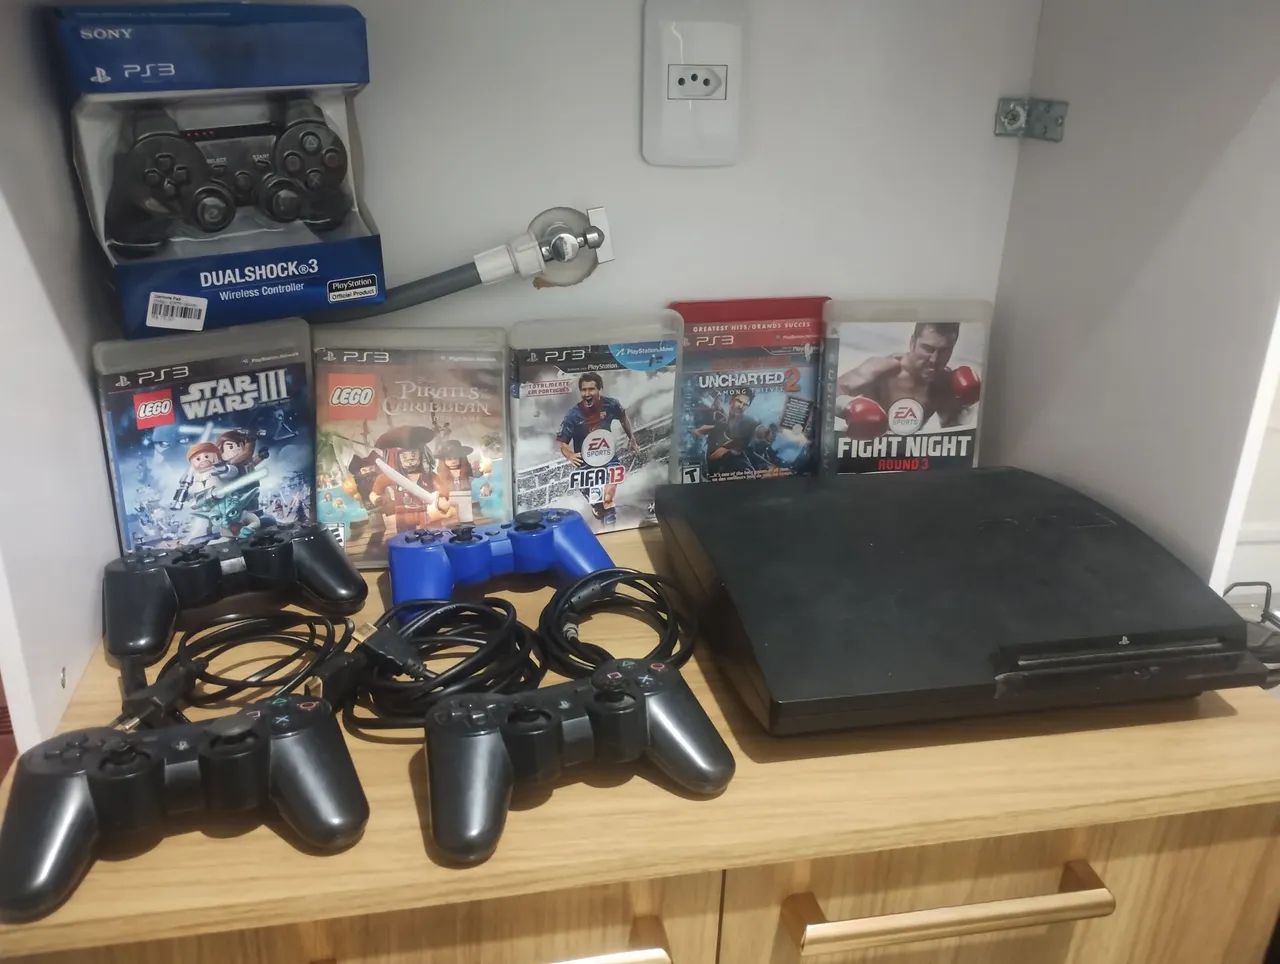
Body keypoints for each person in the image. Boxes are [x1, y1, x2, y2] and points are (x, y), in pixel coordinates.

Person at [835, 322, 981, 438]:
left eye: (944, 351)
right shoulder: (883, 370)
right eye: (927, 349)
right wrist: (847, 405)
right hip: (867, 452)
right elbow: (832, 390)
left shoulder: (946, 384)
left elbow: (952, 436)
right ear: (912, 343)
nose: (934, 359)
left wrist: (965, 408)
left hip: (907, 457)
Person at [555, 372, 638, 525]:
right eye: (583, 390)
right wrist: (570, 455)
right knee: (599, 507)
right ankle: (596, 507)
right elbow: (563, 444)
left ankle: (611, 533)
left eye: (591, 389)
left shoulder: (611, 405)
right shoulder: (573, 415)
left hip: (608, 457)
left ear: (599, 389)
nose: (587, 393)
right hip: (586, 465)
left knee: (608, 499)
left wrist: (631, 438)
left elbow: (623, 417)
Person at [692, 387, 770, 479]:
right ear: (731, 401)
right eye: (739, 401)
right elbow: (705, 430)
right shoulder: (721, 421)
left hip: (738, 472)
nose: (741, 406)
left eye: (745, 404)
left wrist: (727, 448)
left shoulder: (748, 423)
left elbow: (757, 430)